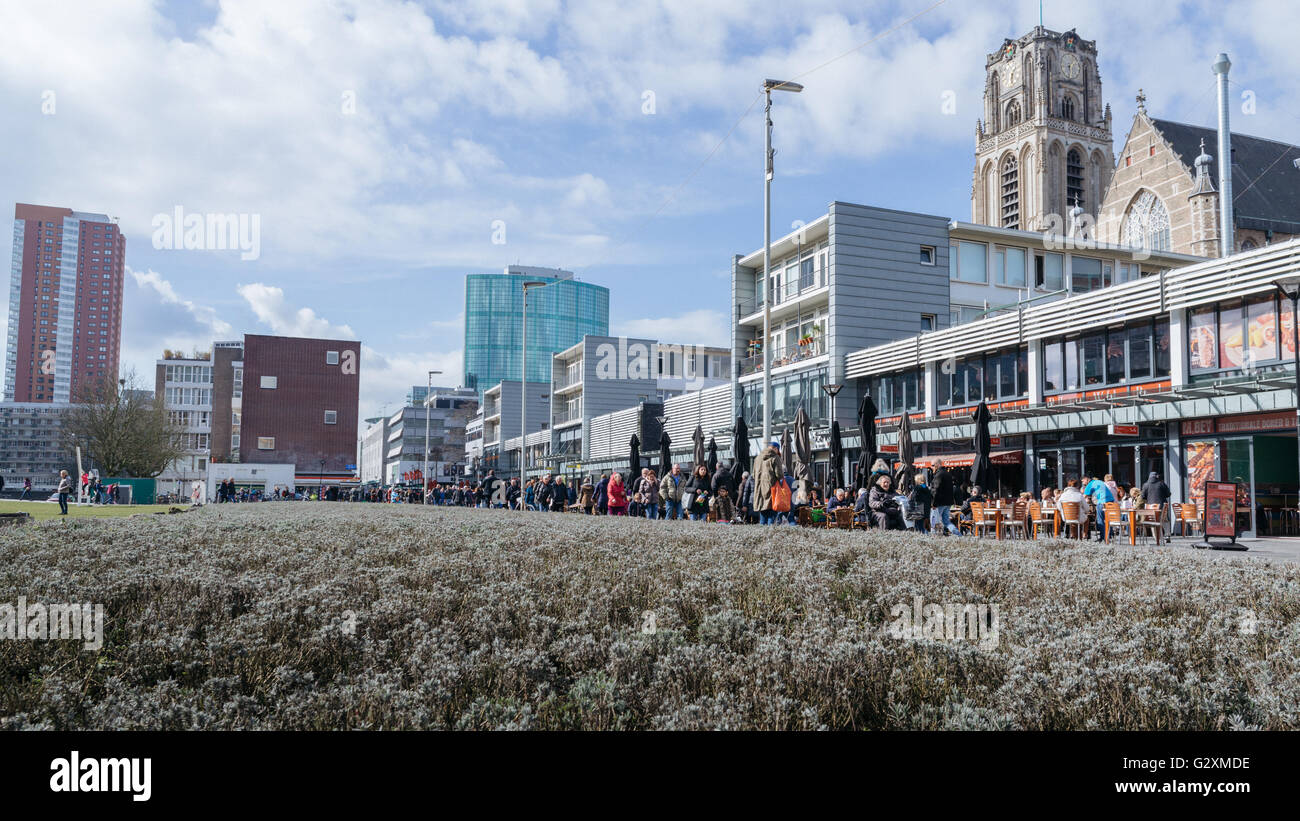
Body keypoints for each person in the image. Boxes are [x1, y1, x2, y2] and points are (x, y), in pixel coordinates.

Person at [751, 441, 783, 525]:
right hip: (772, 490)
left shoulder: (757, 458)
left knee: (763, 515)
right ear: (775, 449)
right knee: (772, 515)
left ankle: (762, 532)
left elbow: (753, 475)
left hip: (759, 491)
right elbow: (779, 475)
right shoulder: (775, 457)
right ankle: (769, 532)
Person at [1081, 474, 1116, 541]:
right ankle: (1110, 536)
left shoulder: (1090, 484)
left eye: (1083, 481)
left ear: (1086, 479)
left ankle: (1103, 538)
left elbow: (1083, 497)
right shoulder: (1099, 481)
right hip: (1111, 500)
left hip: (1102, 501)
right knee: (1108, 519)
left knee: (1100, 520)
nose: (1083, 483)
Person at [930, 465, 958, 536]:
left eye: (932, 465)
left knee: (934, 521)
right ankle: (958, 534)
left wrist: (933, 503)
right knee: (946, 522)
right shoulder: (948, 474)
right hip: (948, 503)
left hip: (939, 503)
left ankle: (933, 536)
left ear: (936, 465)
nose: (931, 467)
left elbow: (936, 490)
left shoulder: (938, 475)